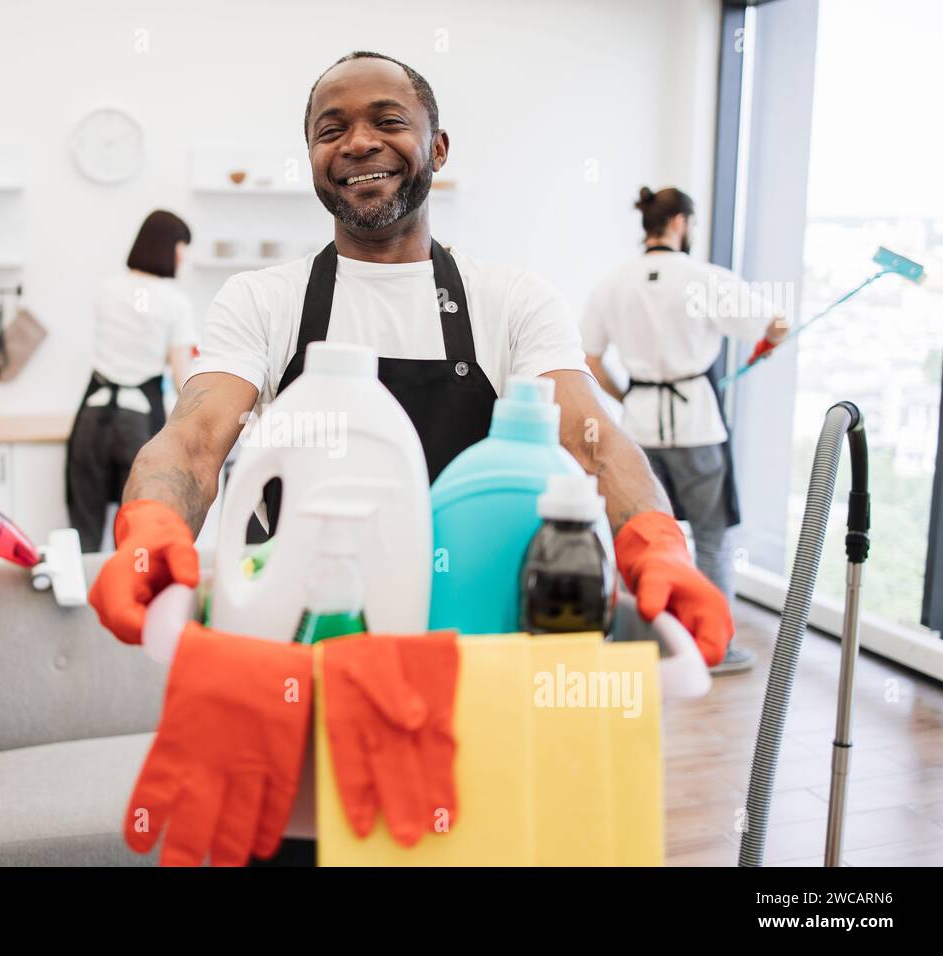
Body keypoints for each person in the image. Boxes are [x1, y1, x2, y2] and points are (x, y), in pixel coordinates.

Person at [88, 51, 735, 866]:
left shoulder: (510, 301)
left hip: (472, 670)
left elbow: (593, 439)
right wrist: (147, 526)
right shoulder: (265, 300)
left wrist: (654, 541)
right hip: (301, 669)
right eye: (332, 129)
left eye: (388, 120)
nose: (358, 142)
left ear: (437, 147)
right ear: (313, 160)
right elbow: (193, 436)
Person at [580, 186, 788, 674]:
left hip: (640, 429)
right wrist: (768, 344)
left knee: (639, 535)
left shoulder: (613, 283)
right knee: (712, 537)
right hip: (697, 425)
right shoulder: (704, 278)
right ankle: (716, 646)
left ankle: (640, 642)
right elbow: (773, 322)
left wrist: (628, 395)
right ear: (680, 223)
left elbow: (589, 358)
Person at [65, 210, 197, 551]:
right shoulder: (175, 302)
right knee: (136, 529)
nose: (183, 255)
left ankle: (81, 598)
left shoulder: (107, 289)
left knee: (84, 528)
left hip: (92, 418)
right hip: (137, 422)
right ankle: (127, 596)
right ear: (168, 248)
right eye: (182, 246)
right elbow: (183, 377)